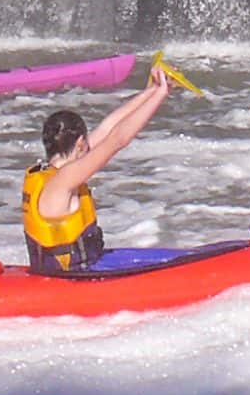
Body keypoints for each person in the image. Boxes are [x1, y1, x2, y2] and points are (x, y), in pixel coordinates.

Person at [23, 64, 177, 275]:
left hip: (77, 269)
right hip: (74, 277)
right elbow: (117, 139)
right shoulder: (65, 178)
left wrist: (150, 91)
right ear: (79, 144)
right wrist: (161, 95)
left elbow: (108, 128)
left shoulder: (54, 170)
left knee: (171, 257)